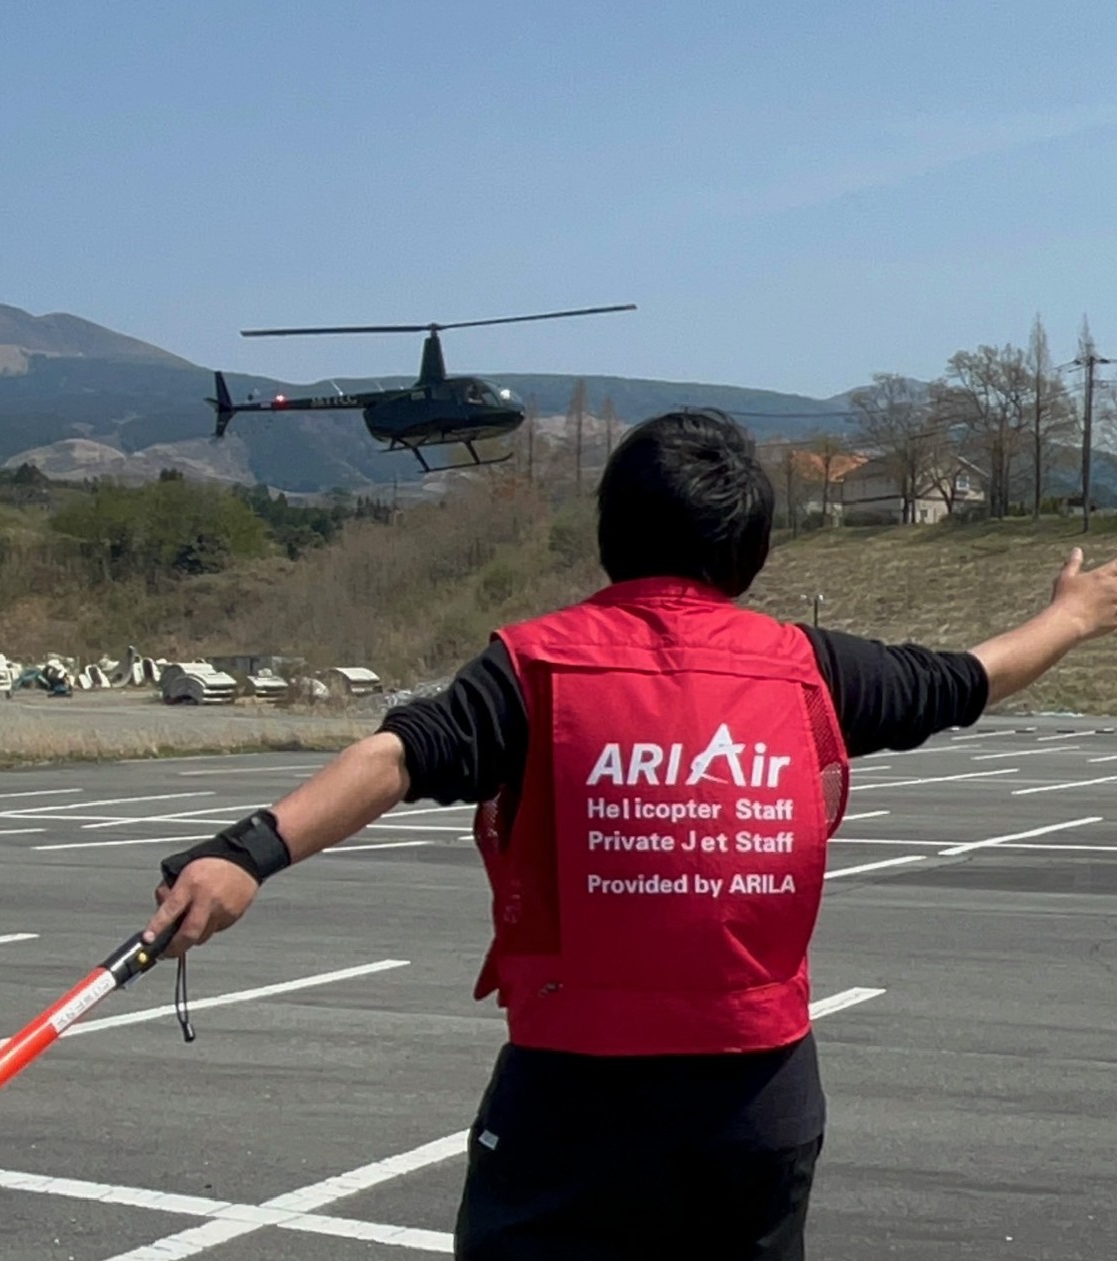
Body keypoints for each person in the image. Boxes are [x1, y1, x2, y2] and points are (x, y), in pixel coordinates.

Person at [143, 409, 1117, 1260]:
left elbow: (399, 752)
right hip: (758, 1107)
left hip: (574, 1108)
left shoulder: (537, 667)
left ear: (611, 535)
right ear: (754, 552)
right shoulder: (807, 669)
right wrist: (1070, 617)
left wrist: (248, 851)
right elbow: (968, 677)